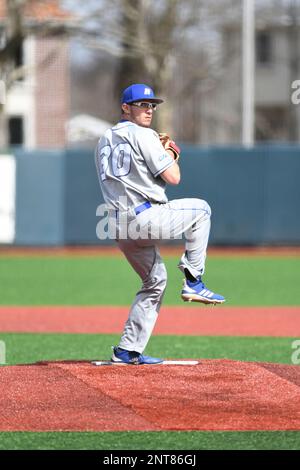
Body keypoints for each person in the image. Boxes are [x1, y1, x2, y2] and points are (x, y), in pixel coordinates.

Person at [95, 83, 225, 365]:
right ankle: (194, 280)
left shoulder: (105, 138)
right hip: (144, 216)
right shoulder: (143, 134)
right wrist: (170, 154)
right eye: (142, 105)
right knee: (202, 210)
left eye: (152, 105)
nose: (149, 110)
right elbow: (173, 177)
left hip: (116, 224)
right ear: (125, 107)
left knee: (155, 281)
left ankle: (127, 350)